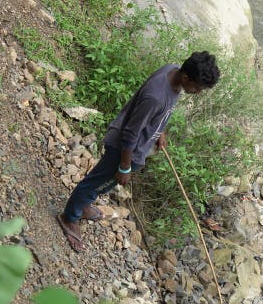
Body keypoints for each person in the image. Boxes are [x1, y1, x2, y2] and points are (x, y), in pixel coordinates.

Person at [57, 51, 220, 252]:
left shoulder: (172, 72)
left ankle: (82, 205)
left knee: (105, 183)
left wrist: (159, 130)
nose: (198, 92)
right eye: (198, 88)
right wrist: (125, 166)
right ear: (186, 77)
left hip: (135, 147)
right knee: (98, 182)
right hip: (124, 149)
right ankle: (69, 217)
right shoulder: (155, 96)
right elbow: (131, 132)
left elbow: (155, 116)